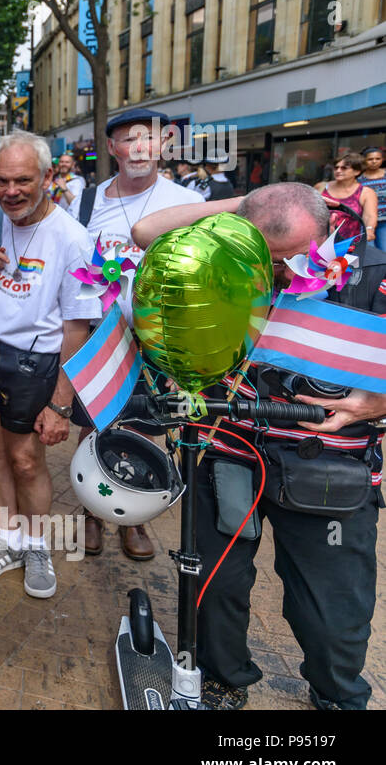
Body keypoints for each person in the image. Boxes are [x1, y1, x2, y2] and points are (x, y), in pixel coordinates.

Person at [131, 181, 386, 710]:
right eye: (267, 259)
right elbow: (145, 231)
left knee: (333, 611)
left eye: (289, 259)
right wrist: (248, 209)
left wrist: (375, 404)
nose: (276, 273)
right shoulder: (229, 251)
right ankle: (224, 682)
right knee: (214, 588)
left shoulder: (372, 269)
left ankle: (337, 696)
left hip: (328, 466)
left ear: (324, 234)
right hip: (228, 447)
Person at [0, 133, 98, 598]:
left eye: (22, 179)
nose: (11, 190)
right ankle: (8, 540)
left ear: (47, 177)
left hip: (32, 360)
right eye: (2, 180)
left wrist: (61, 404)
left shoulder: (73, 238)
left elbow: (78, 327)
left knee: (25, 457)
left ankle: (37, 546)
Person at [69, 108, 205, 561]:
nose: (139, 148)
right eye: (128, 140)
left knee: (149, 427)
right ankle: (92, 511)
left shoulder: (185, 201)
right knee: (93, 423)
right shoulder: (85, 203)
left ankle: (135, 516)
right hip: (99, 336)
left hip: (158, 341)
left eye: (148, 139)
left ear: (164, 145)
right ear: (112, 149)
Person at [316, 152, 376, 247]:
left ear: (357, 171)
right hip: (320, 241)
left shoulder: (366, 192)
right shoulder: (321, 187)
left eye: (344, 168)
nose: (338, 170)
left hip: (350, 244)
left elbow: (369, 216)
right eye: (336, 167)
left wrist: (369, 230)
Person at [361, 146, 386, 252]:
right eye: (370, 159)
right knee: (369, 252)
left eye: (377, 159)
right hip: (365, 221)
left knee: (384, 250)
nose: (374, 162)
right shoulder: (358, 179)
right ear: (364, 160)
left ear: (383, 159)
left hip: (384, 221)